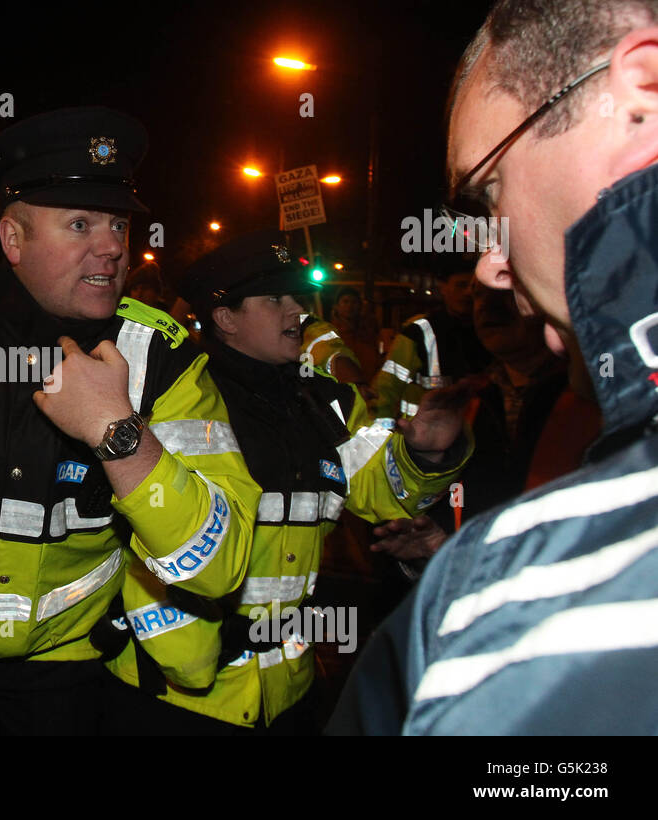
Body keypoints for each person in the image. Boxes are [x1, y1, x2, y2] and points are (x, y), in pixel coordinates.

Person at [330, 0, 658, 735]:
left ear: (645, 93)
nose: (488, 263)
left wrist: (479, 587)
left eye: (489, 192)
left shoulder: (512, 592)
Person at [0, 106, 261, 735]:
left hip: (68, 681)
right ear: (13, 240)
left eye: (118, 224)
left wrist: (118, 432)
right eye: (81, 223)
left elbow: (221, 565)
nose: (113, 246)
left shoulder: (164, 363)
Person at [100, 232, 470, 733]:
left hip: (290, 690)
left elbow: (386, 494)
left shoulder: (327, 403)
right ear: (226, 318)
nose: (297, 309)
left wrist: (425, 452)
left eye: (295, 296)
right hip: (178, 693)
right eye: (274, 299)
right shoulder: (176, 396)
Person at [372, 265, 491, 419]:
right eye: (461, 285)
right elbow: (386, 389)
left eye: (474, 286)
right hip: (423, 435)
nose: (468, 292)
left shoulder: (493, 330)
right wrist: (381, 438)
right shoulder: (418, 332)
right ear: (443, 288)